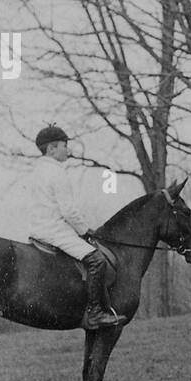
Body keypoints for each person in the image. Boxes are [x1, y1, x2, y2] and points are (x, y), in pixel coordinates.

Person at [29, 124, 126, 329]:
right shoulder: (57, 172)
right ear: (51, 149)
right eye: (64, 145)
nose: (67, 150)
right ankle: (95, 313)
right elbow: (69, 211)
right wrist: (84, 230)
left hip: (39, 229)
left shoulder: (38, 170)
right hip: (55, 230)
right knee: (97, 260)